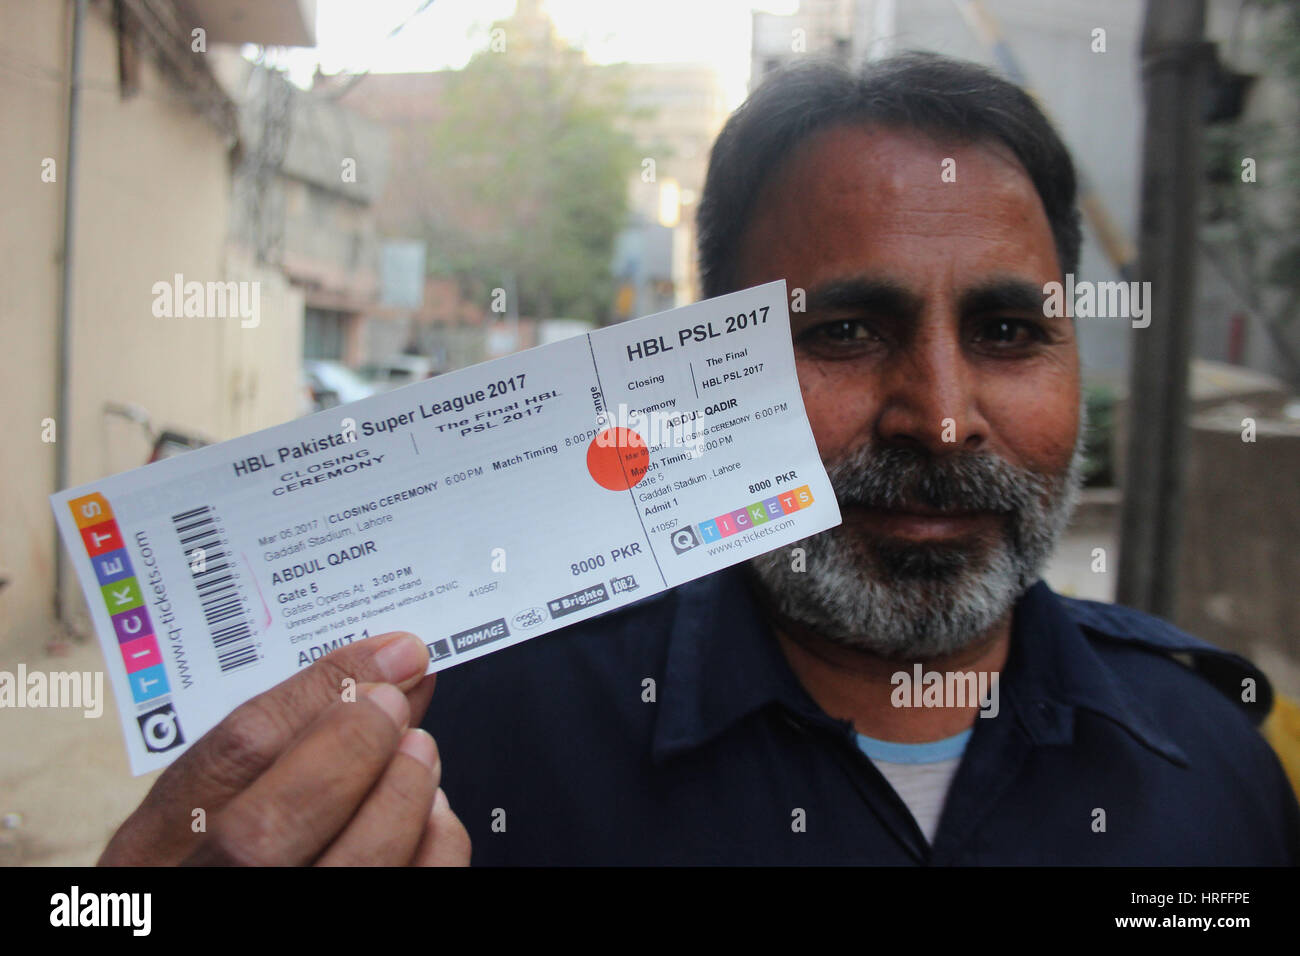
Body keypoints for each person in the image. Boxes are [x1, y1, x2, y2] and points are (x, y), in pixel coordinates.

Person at [99, 52, 1299, 866]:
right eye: (839, 331)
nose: (939, 417)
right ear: (694, 359)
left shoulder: (1215, 764)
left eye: (1006, 331)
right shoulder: (442, 758)